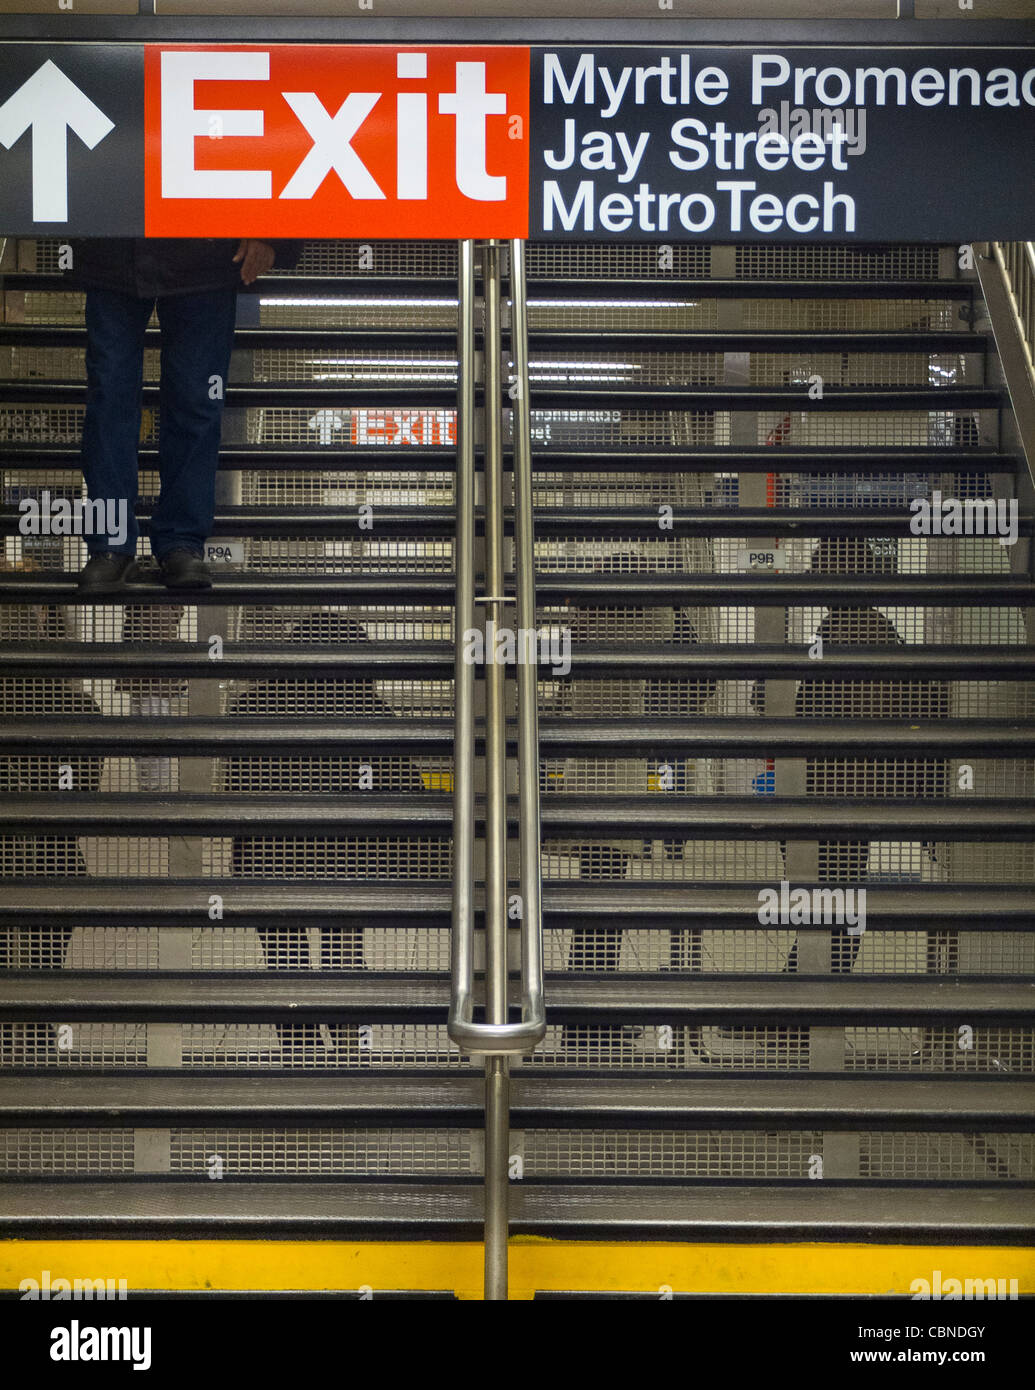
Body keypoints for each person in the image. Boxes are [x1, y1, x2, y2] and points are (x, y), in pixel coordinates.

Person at [223, 612, 446, 1066]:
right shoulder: (368, 708)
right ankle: (347, 1049)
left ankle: (300, 1055)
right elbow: (401, 784)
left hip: (271, 862)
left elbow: (237, 789)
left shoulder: (251, 706)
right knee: (344, 954)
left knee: (286, 963)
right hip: (346, 860)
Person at [68, 237, 301, 593]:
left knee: (194, 403)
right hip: (116, 245)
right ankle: (113, 542)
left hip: (204, 247)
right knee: (110, 401)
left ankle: (181, 543)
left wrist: (272, 234)